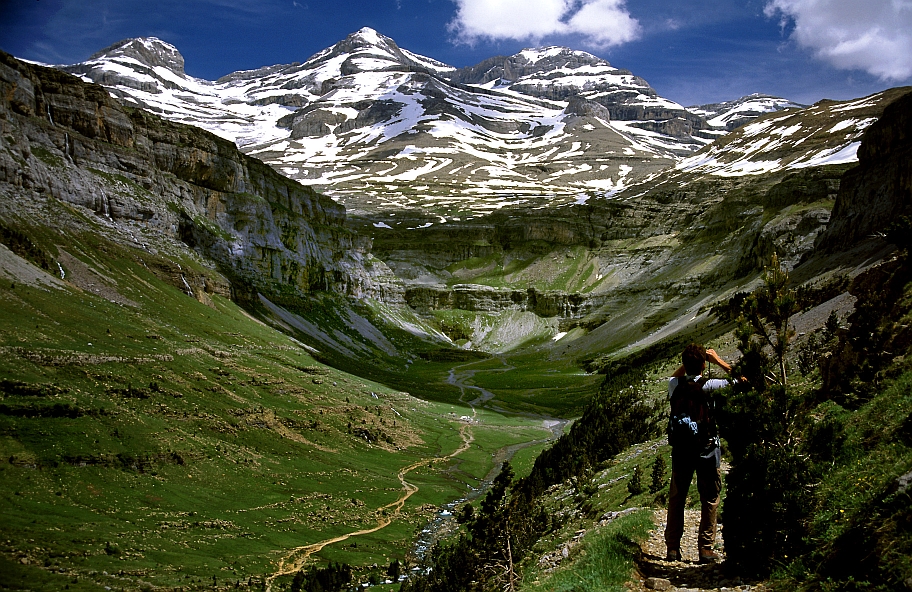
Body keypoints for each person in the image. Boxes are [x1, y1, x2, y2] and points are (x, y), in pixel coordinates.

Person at [664, 343, 739, 564]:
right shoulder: (711, 385)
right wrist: (719, 362)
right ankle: (706, 549)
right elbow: (740, 381)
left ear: (685, 364)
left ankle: (672, 548)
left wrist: (688, 365)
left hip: (681, 450)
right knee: (710, 498)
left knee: (677, 498)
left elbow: (673, 376)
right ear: (704, 366)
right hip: (707, 448)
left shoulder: (674, 385)